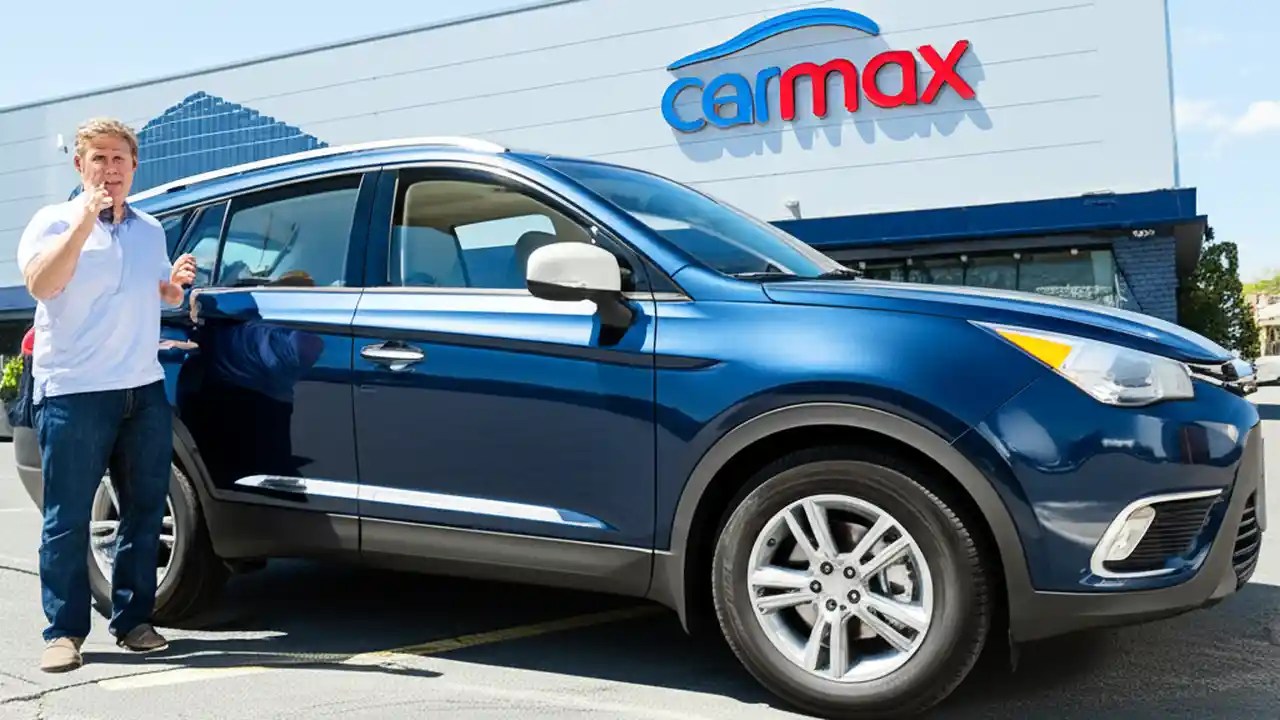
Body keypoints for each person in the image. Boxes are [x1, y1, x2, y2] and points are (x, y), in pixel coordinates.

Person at [16, 117, 196, 673]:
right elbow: (43, 285)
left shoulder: (150, 230)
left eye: (120, 160)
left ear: (134, 167)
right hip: (73, 391)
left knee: (142, 511)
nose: (110, 170)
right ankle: (63, 632)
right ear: (80, 166)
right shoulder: (52, 222)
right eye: (99, 159)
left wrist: (173, 287)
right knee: (66, 518)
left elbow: (153, 290)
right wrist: (83, 221)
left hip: (140, 389)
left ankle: (134, 621)